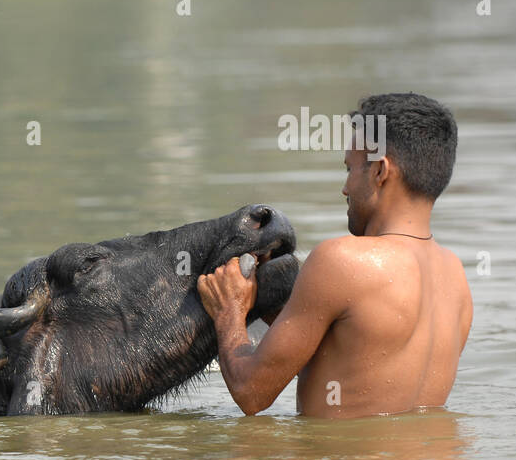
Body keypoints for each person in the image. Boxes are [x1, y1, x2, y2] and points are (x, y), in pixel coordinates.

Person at [197, 93, 472, 418]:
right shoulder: (456, 279)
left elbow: (251, 391)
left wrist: (228, 309)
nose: (345, 187)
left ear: (380, 172)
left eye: (350, 169)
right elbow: (357, 374)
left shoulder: (341, 260)